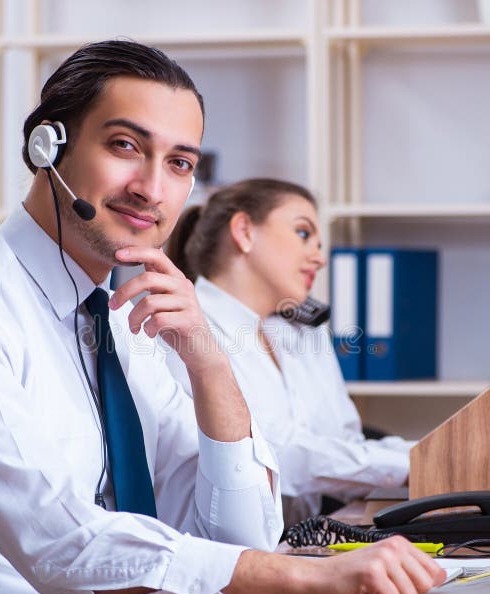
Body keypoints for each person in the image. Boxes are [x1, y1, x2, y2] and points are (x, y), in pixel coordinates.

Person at [0, 41, 443, 594]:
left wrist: (210, 365)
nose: (152, 188)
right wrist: (304, 574)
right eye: (125, 146)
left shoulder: (127, 323)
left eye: (180, 163)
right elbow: (61, 545)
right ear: (47, 146)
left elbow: (241, 538)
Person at [165, 178, 414, 526]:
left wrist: (428, 454)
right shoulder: (182, 328)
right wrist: (409, 464)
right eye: (303, 234)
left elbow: (345, 443)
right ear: (244, 232)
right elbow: (269, 453)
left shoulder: (299, 334)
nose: (320, 257)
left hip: (305, 543)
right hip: (222, 552)